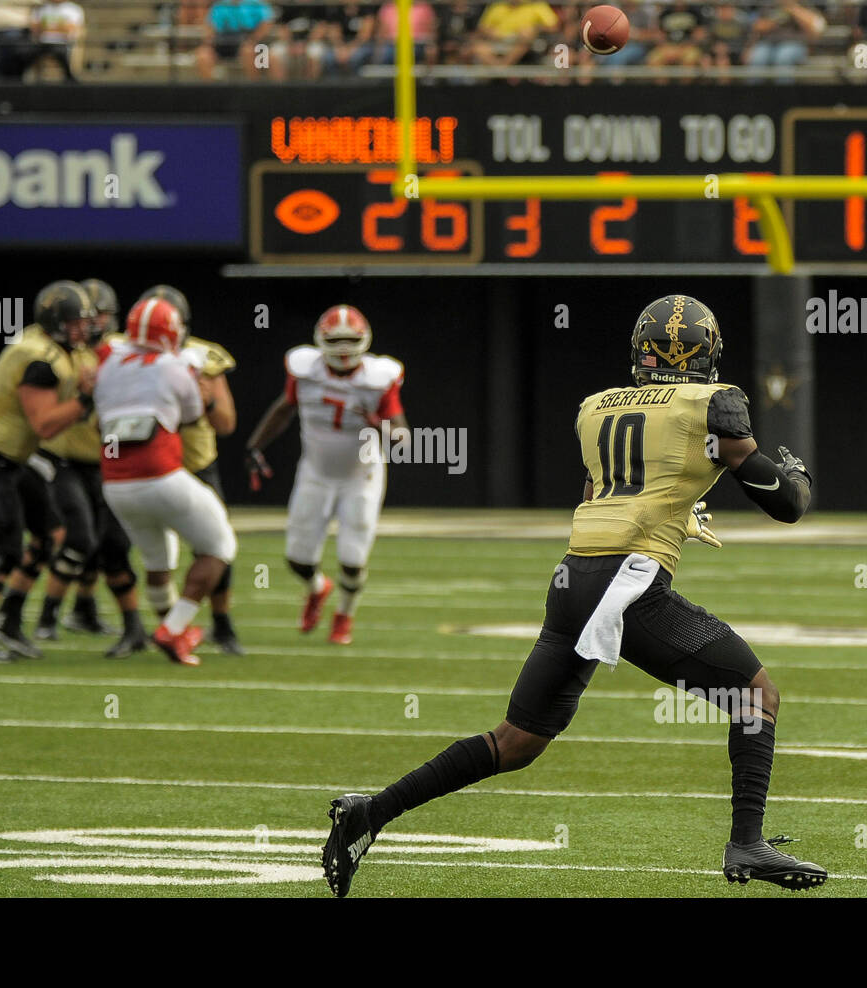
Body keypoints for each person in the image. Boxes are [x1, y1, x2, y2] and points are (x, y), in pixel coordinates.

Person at [322, 294, 826, 897]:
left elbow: (604, 493)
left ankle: (367, 814)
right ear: (707, 351)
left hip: (573, 579)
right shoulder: (716, 403)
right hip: (627, 583)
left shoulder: (597, 406)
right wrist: (797, 475)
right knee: (755, 695)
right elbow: (785, 506)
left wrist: (678, 511)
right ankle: (747, 841)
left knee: (515, 743)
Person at [0, 281, 96, 663]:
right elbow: (45, 424)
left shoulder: (55, 350)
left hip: (12, 459)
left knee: (50, 536)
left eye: (85, 321)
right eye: (75, 321)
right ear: (56, 322)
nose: (83, 328)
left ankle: (9, 621)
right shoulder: (40, 360)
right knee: (8, 546)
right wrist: (85, 400)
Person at [244, 304, 406, 646]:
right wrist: (255, 444)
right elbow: (285, 408)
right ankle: (318, 588)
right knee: (298, 559)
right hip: (315, 472)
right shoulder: (305, 371)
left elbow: (403, 434)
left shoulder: (378, 378)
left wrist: (382, 426)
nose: (344, 348)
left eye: (350, 339)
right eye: (337, 339)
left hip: (361, 475)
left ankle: (344, 614)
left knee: (352, 559)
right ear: (321, 340)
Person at [94, 297, 237, 667]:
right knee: (220, 545)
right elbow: (192, 416)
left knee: (158, 560)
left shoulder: (108, 362)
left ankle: (173, 632)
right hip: (159, 474)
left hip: (115, 485)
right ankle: (172, 630)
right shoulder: (176, 366)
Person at [33, 278, 148, 659]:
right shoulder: (61, 354)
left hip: (109, 458)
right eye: (88, 315)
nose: (94, 323)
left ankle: (128, 626)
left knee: (114, 543)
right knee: (80, 536)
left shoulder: (119, 352)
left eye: (100, 315)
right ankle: (48, 616)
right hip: (65, 457)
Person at [138, 284, 244, 655]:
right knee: (148, 555)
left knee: (215, 547)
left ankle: (220, 623)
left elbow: (227, 422)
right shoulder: (124, 358)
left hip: (194, 465)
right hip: (147, 467)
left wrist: (207, 398)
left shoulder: (202, 359)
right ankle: (158, 626)